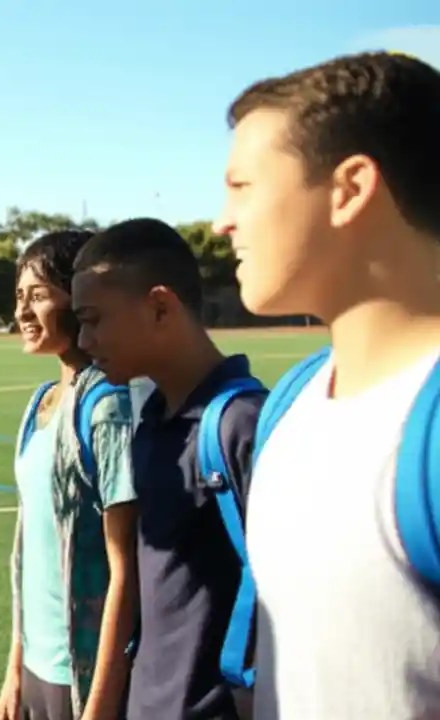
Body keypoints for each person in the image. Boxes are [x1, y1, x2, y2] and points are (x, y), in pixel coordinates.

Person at [213, 51, 440, 719]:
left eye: (241, 186)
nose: (222, 220)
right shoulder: (290, 403)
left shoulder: (424, 431)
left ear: (350, 188)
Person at [70, 218, 265, 720]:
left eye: (93, 319)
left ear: (160, 306)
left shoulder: (243, 426)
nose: (84, 340)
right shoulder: (152, 422)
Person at [0, 231, 139, 720]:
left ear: (78, 299)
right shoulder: (40, 402)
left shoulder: (107, 408)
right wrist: (15, 669)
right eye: (19, 296)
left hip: (80, 677)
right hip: (37, 668)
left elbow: (127, 569)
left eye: (37, 295)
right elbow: (28, 552)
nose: (22, 311)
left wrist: (97, 705)